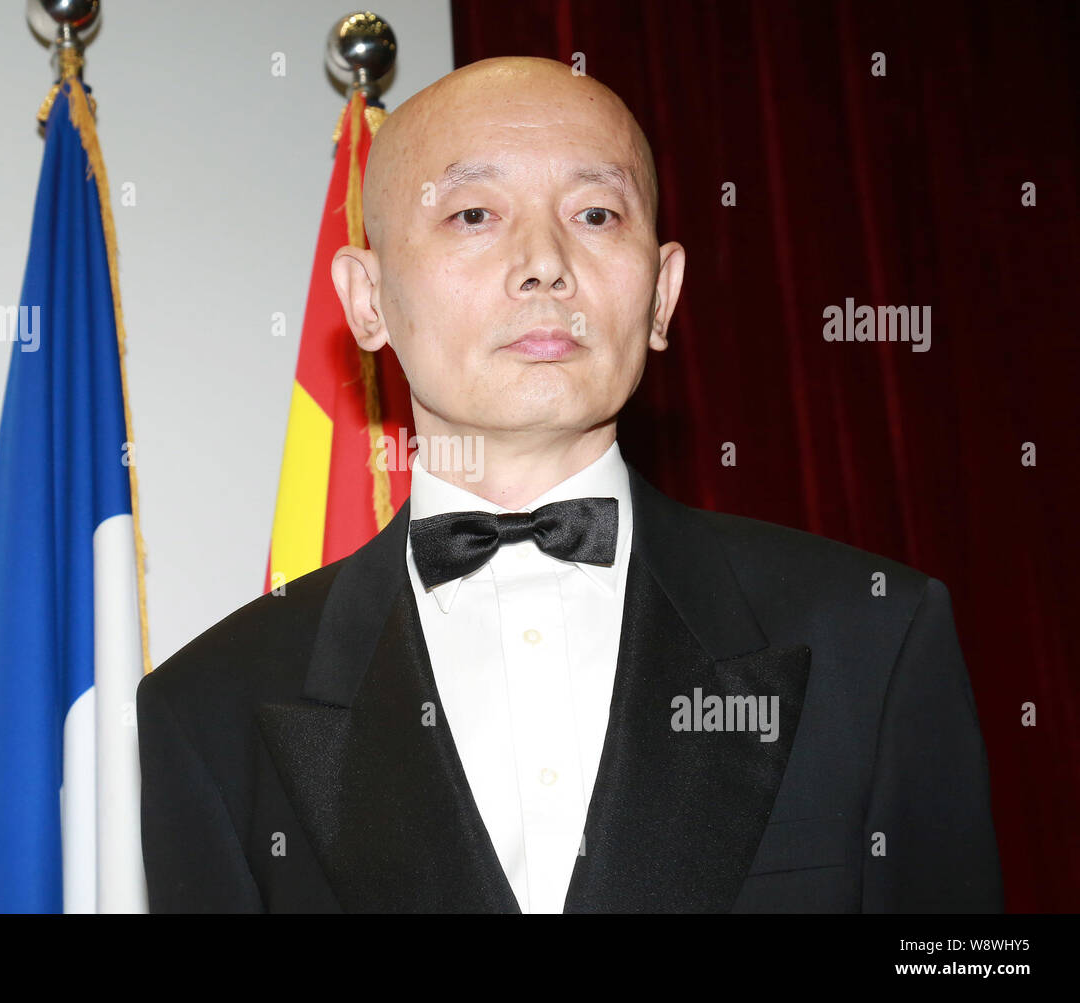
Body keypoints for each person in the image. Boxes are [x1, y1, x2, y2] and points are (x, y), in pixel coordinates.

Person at [136, 56, 1002, 913]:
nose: (545, 263)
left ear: (663, 295)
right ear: (367, 299)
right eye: (474, 214)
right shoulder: (211, 709)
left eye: (595, 213)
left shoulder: (877, 637)